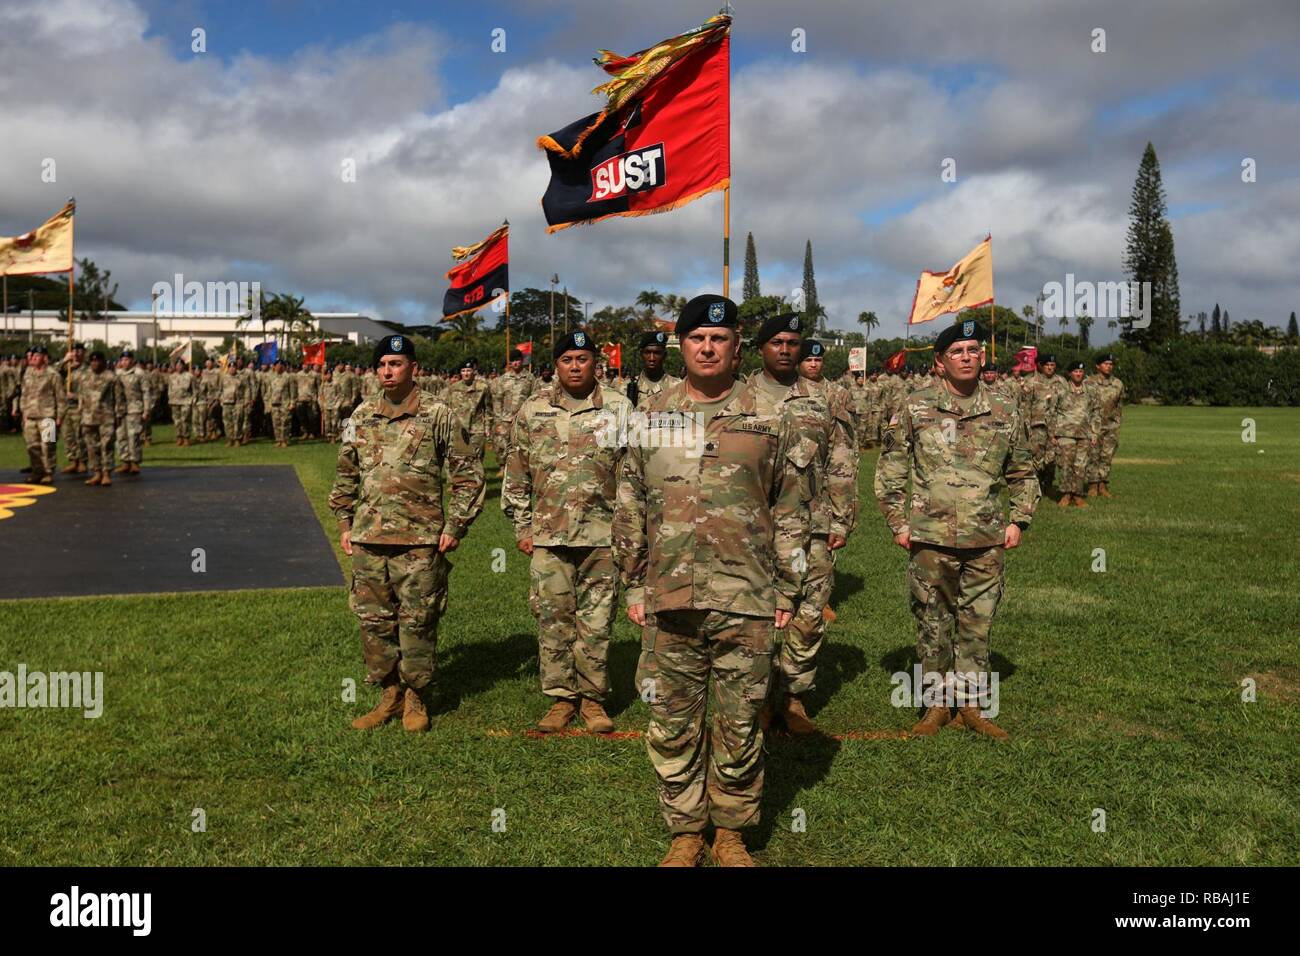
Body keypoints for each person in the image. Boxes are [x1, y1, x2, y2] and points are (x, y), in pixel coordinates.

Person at [613, 294, 811, 867]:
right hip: (668, 593)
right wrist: (631, 585)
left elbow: (794, 510)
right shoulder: (649, 415)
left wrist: (788, 591)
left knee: (740, 721)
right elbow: (629, 503)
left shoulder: (771, 417)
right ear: (681, 345)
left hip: (747, 595)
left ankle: (731, 831)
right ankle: (685, 829)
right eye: (697, 337)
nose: (707, 346)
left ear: (736, 347)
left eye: (719, 338)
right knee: (671, 720)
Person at [874, 318, 1040, 740]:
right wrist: (898, 522)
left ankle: (970, 705)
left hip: (986, 537)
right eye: (957, 352)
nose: (967, 358)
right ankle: (935, 705)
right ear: (940, 362)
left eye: (973, 350)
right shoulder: (915, 406)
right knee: (933, 622)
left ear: (982, 357)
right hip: (930, 536)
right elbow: (891, 467)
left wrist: (1019, 519)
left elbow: (1022, 469)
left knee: (977, 624)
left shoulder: (1003, 407)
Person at [329, 335, 485, 732]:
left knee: (417, 621)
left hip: (420, 540)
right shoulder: (361, 416)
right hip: (368, 538)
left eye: (396, 363)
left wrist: (455, 526)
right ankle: (389, 694)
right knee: (374, 622)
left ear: (413, 367)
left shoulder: (439, 414)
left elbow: (467, 475)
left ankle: (416, 696)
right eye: (382, 364)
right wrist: (345, 524)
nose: (387, 371)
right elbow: (346, 474)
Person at [503, 331, 631, 734]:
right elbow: (517, 472)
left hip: (603, 536)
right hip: (549, 536)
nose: (575, 366)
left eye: (582, 358)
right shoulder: (533, 410)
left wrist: (631, 532)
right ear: (555, 365)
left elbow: (634, 476)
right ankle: (561, 698)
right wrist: (523, 527)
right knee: (553, 619)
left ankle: (592, 700)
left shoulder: (620, 408)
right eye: (567, 360)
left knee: (597, 622)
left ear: (597, 363)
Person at [1050, 361, 1099, 508]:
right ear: (1070, 374)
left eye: (1081, 371)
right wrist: (1052, 433)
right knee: (1065, 465)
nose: (1079, 374)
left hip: (1084, 434)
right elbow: (1051, 411)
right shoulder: (1060, 390)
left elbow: (1096, 412)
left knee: (1081, 466)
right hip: (1065, 433)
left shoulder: (1090, 390)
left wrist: (1095, 432)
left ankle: (1077, 495)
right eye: (1076, 371)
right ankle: (1065, 494)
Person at [19, 345, 65, 484]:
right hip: (31, 415)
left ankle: (48, 472)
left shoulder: (53, 375)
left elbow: (61, 398)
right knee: (32, 446)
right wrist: (24, 411)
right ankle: (37, 471)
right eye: (32, 356)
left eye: (36, 356)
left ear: (44, 358)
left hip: (48, 415)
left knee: (48, 445)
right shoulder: (28, 372)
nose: (33, 358)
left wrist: (60, 416)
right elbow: (24, 394)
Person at [79, 351, 125, 487]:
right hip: (88, 417)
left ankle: (106, 473)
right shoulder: (85, 376)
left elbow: (119, 398)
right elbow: (82, 395)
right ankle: (96, 472)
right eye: (92, 361)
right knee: (92, 447)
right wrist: (80, 411)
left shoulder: (112, 378)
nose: (95, 363)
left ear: (103, 362)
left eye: (98, 360)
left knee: (107, 446)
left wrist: (119, 415)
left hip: (106, 416)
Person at [1087, 353, 1124, 497]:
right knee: (1093, 456)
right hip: (1093, 427)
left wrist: (1117, 424)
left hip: (1111, 427)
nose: (1109, 366)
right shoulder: (1089, 382)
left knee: (1107, 456)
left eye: (1111, 364)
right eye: (1105, 364)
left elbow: (1119, 406)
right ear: (1098, 366)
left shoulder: (1118, 384)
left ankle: (1103, 485)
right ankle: (1092, 485)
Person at [626, 330, 681, 409]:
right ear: (641, 354)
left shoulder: (678, 387)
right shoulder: (626, 387)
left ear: (664, 355)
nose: (652, 358)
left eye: (657, 353)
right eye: (647, 352)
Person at [114, 350, 147, 474]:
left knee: (134, 436)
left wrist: (146, 410)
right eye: (122, 360)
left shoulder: (139, 373)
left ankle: (135, 462)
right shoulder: (118, 374)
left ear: (132, 360)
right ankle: (125, 461)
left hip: (135, 408)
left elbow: (146, 392)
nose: (124, 362)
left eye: (127, 359)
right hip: (120, 410)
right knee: (121, 436)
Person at [59, 343, 88, 475]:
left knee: (80, 435)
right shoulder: (66, 369)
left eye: (79, 351)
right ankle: (73, 460)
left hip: (79, 407)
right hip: (65, 407)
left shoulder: (87, 370)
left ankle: (82, 461)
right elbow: (50, 372)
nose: (76, 354)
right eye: (74, 351)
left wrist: (75, 396)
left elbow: (91, 392)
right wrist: (64, 361)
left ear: (84, 353)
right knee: (68, 435)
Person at [265, 360, 297, 447]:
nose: (279, 367)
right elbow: (269, 391)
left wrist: (292, 403)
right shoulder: (271, 377)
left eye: (280, 365)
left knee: (285, 423)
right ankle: (278, 440)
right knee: (276, 423)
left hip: (285, 403)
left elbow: (293, 391)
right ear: (274, 367)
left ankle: (285, 440)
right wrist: (268, 403)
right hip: (274, 403)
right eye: (277, 365)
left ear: (283, 366)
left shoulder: (288, 377)